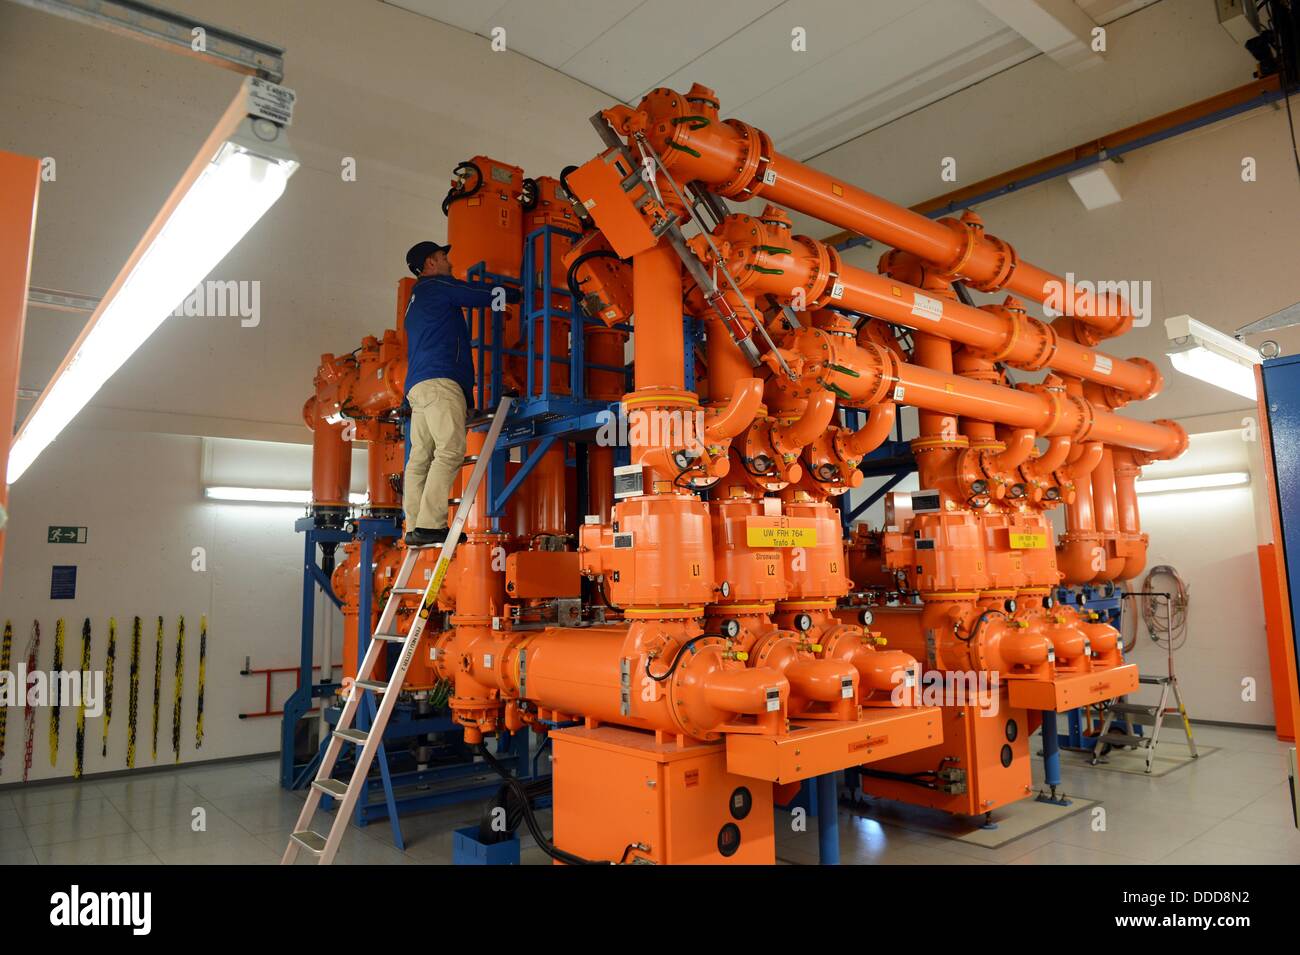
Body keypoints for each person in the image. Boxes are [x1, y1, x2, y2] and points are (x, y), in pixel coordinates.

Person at [401, 240, 520, 547]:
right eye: (443, 257)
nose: (449, 263)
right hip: (441, 382)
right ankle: (429, 525)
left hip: (418, 387)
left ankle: (414, 525)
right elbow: (475, 295)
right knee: (451, 450)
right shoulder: (437, 285)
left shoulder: (414, 301)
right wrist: (517, 294)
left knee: (419, 458)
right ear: (430, 264)